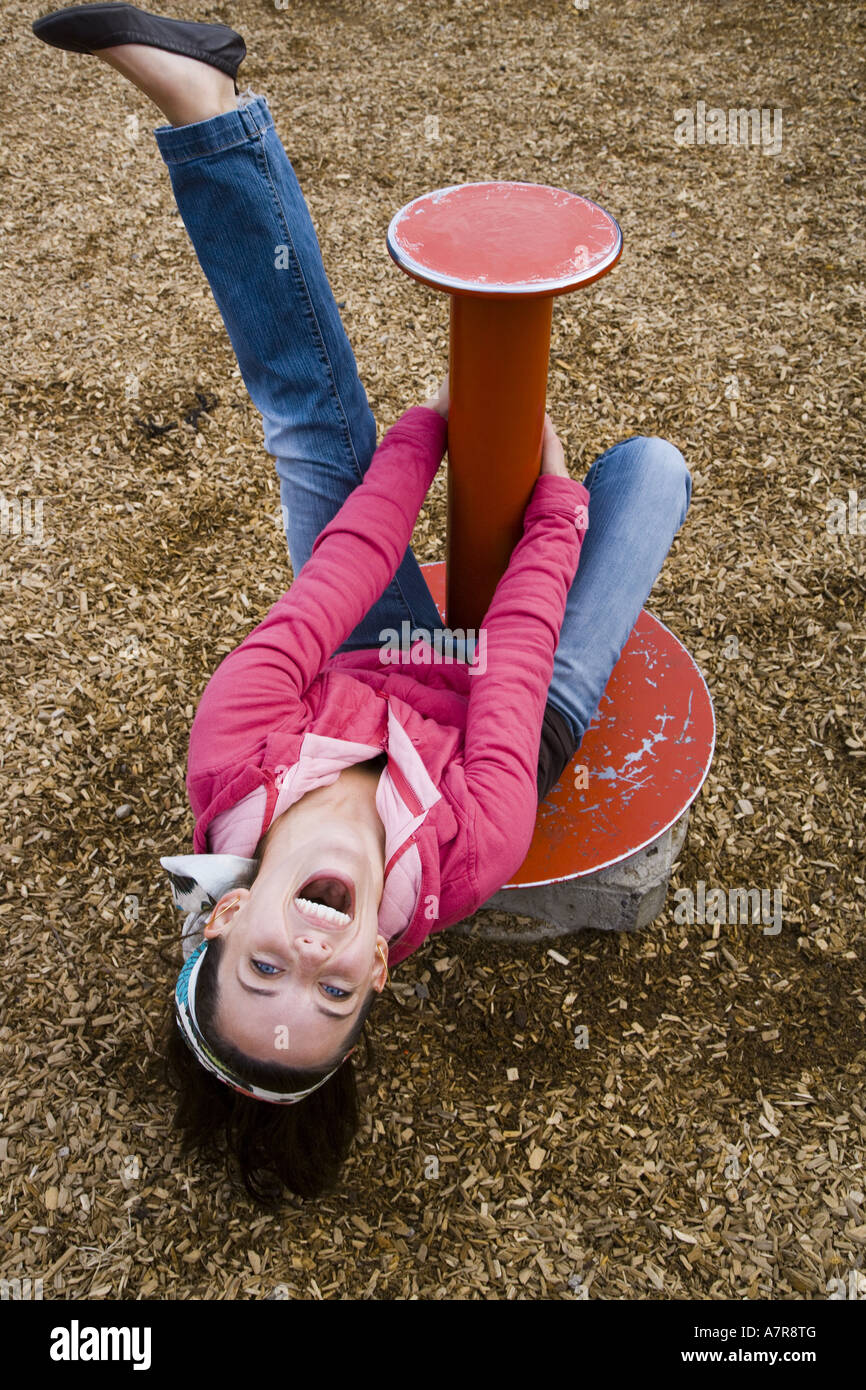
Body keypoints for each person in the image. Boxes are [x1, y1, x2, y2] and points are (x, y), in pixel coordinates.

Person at [32, 4, 692, 1204]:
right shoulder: (472, 853)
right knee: (649, 473)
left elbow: (334, 575)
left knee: (304, 427)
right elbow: (512, 665)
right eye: (333, 991)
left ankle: (207, 110)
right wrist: (550, 509)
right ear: (380, 967)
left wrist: (437, 428)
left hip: (373, 648)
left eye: (266, 967)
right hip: (518, 708)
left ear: (219, 919)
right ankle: (572, 497)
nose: (315, 955)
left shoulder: (231, 756)